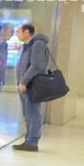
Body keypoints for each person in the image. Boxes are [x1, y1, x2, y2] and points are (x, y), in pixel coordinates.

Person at [14, 22, 50, 152]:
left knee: (33, 113)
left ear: (27, 32)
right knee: (28, 113)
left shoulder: (38, 44)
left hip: (31, 85)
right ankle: (29, 140)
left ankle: (32, 142)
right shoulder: (29, 45)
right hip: (25, 85)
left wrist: (23, 81)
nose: (16, 34)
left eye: (18, 31)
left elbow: (37, 66)